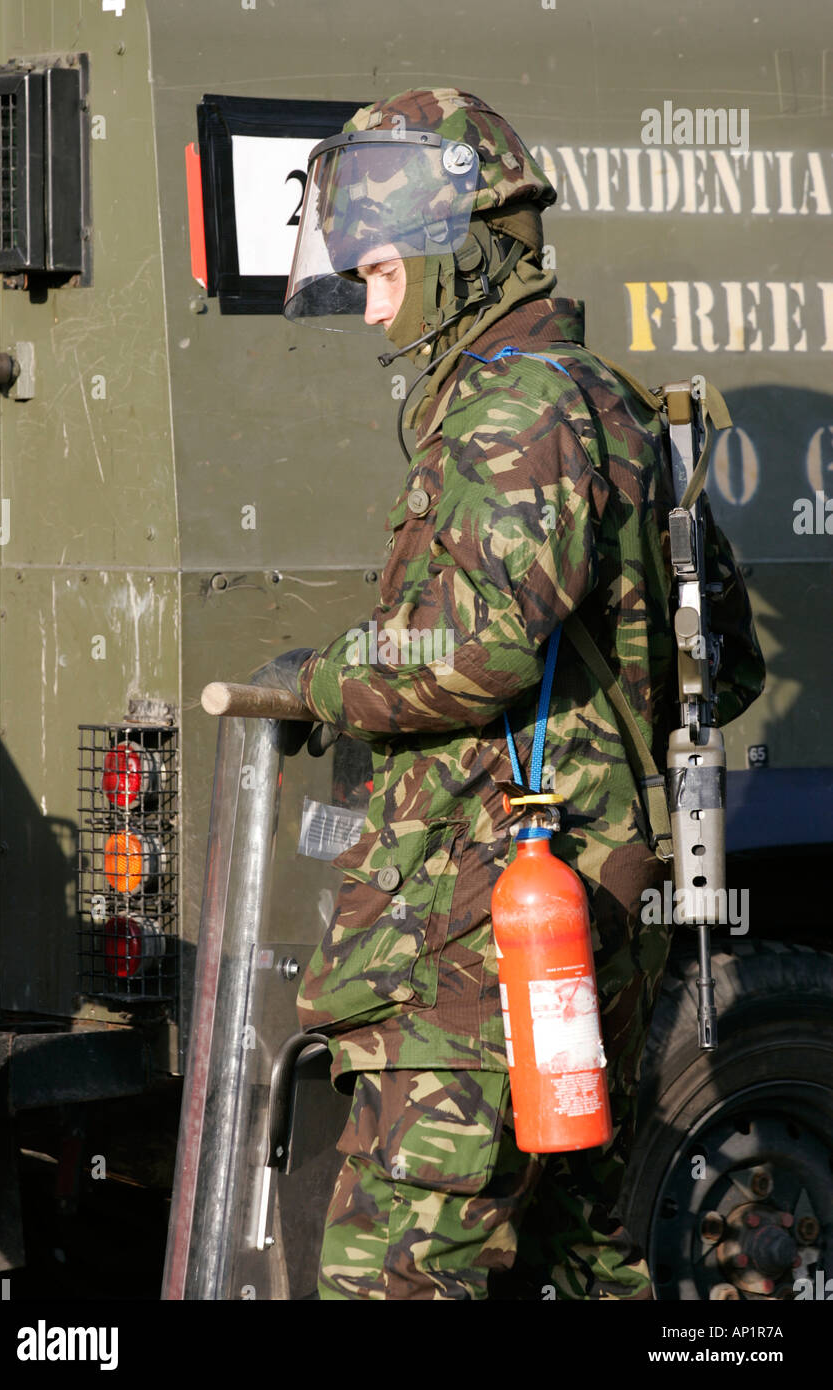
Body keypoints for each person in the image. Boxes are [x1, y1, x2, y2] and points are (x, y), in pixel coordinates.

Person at [253, 88, 765, 1300]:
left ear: (459, 256)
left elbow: (474, 648)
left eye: (380, 272)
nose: (370, 308)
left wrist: (320, 678)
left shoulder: (514, 406)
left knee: (399, 1267)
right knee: (572, 1256)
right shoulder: (607, 399)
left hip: (487, 923)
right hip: (579, 902)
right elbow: (725, 663)